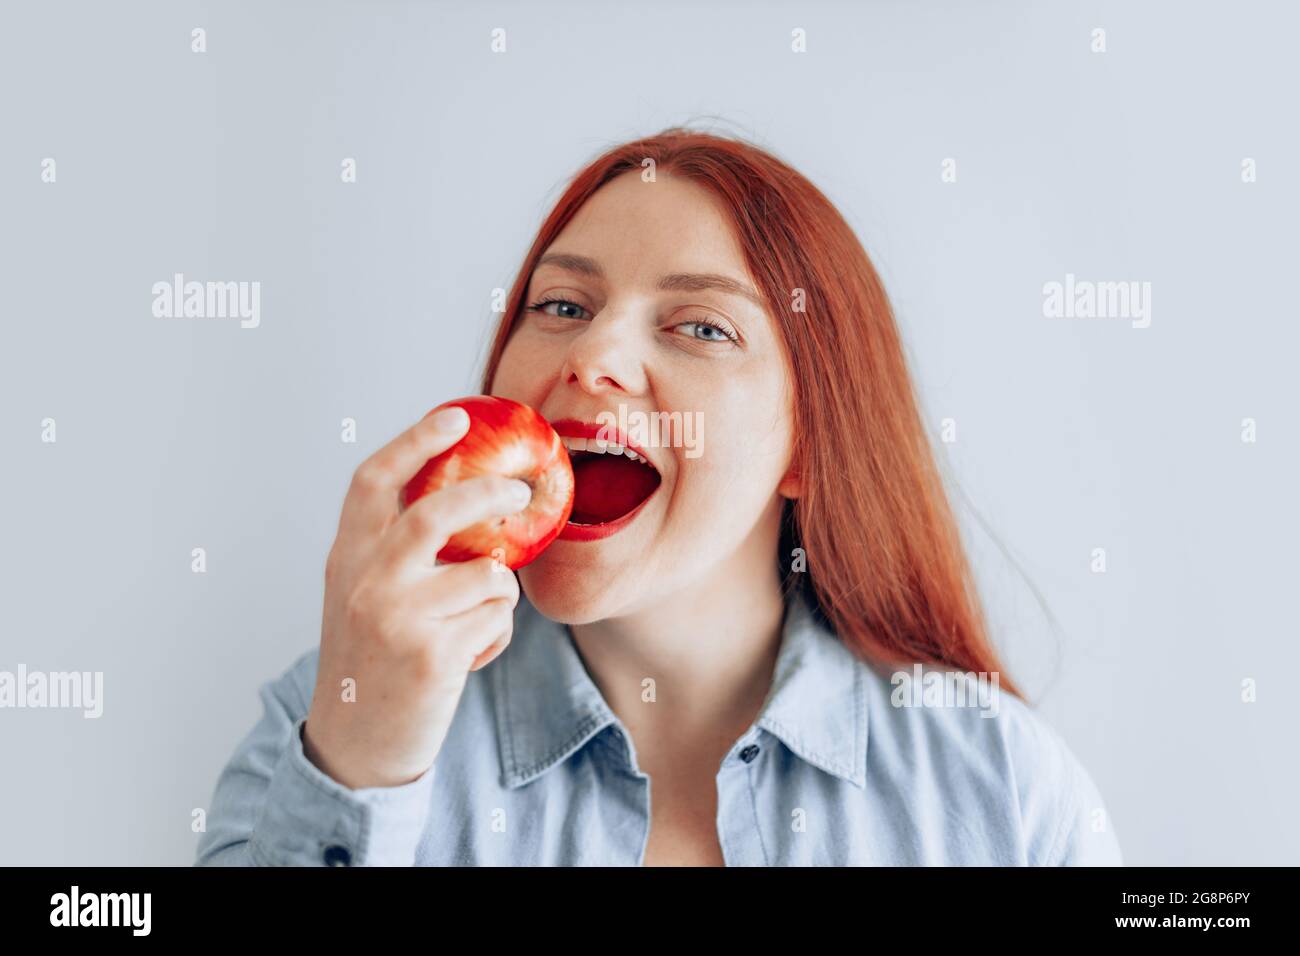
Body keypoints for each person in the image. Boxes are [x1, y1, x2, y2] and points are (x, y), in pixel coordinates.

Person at [196, 127, 1123, 866]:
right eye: (561, 306)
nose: (592, 358)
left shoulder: (1001, 787)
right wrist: (364, 767)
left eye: (701, 326)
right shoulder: (322, 724)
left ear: (808, 446)